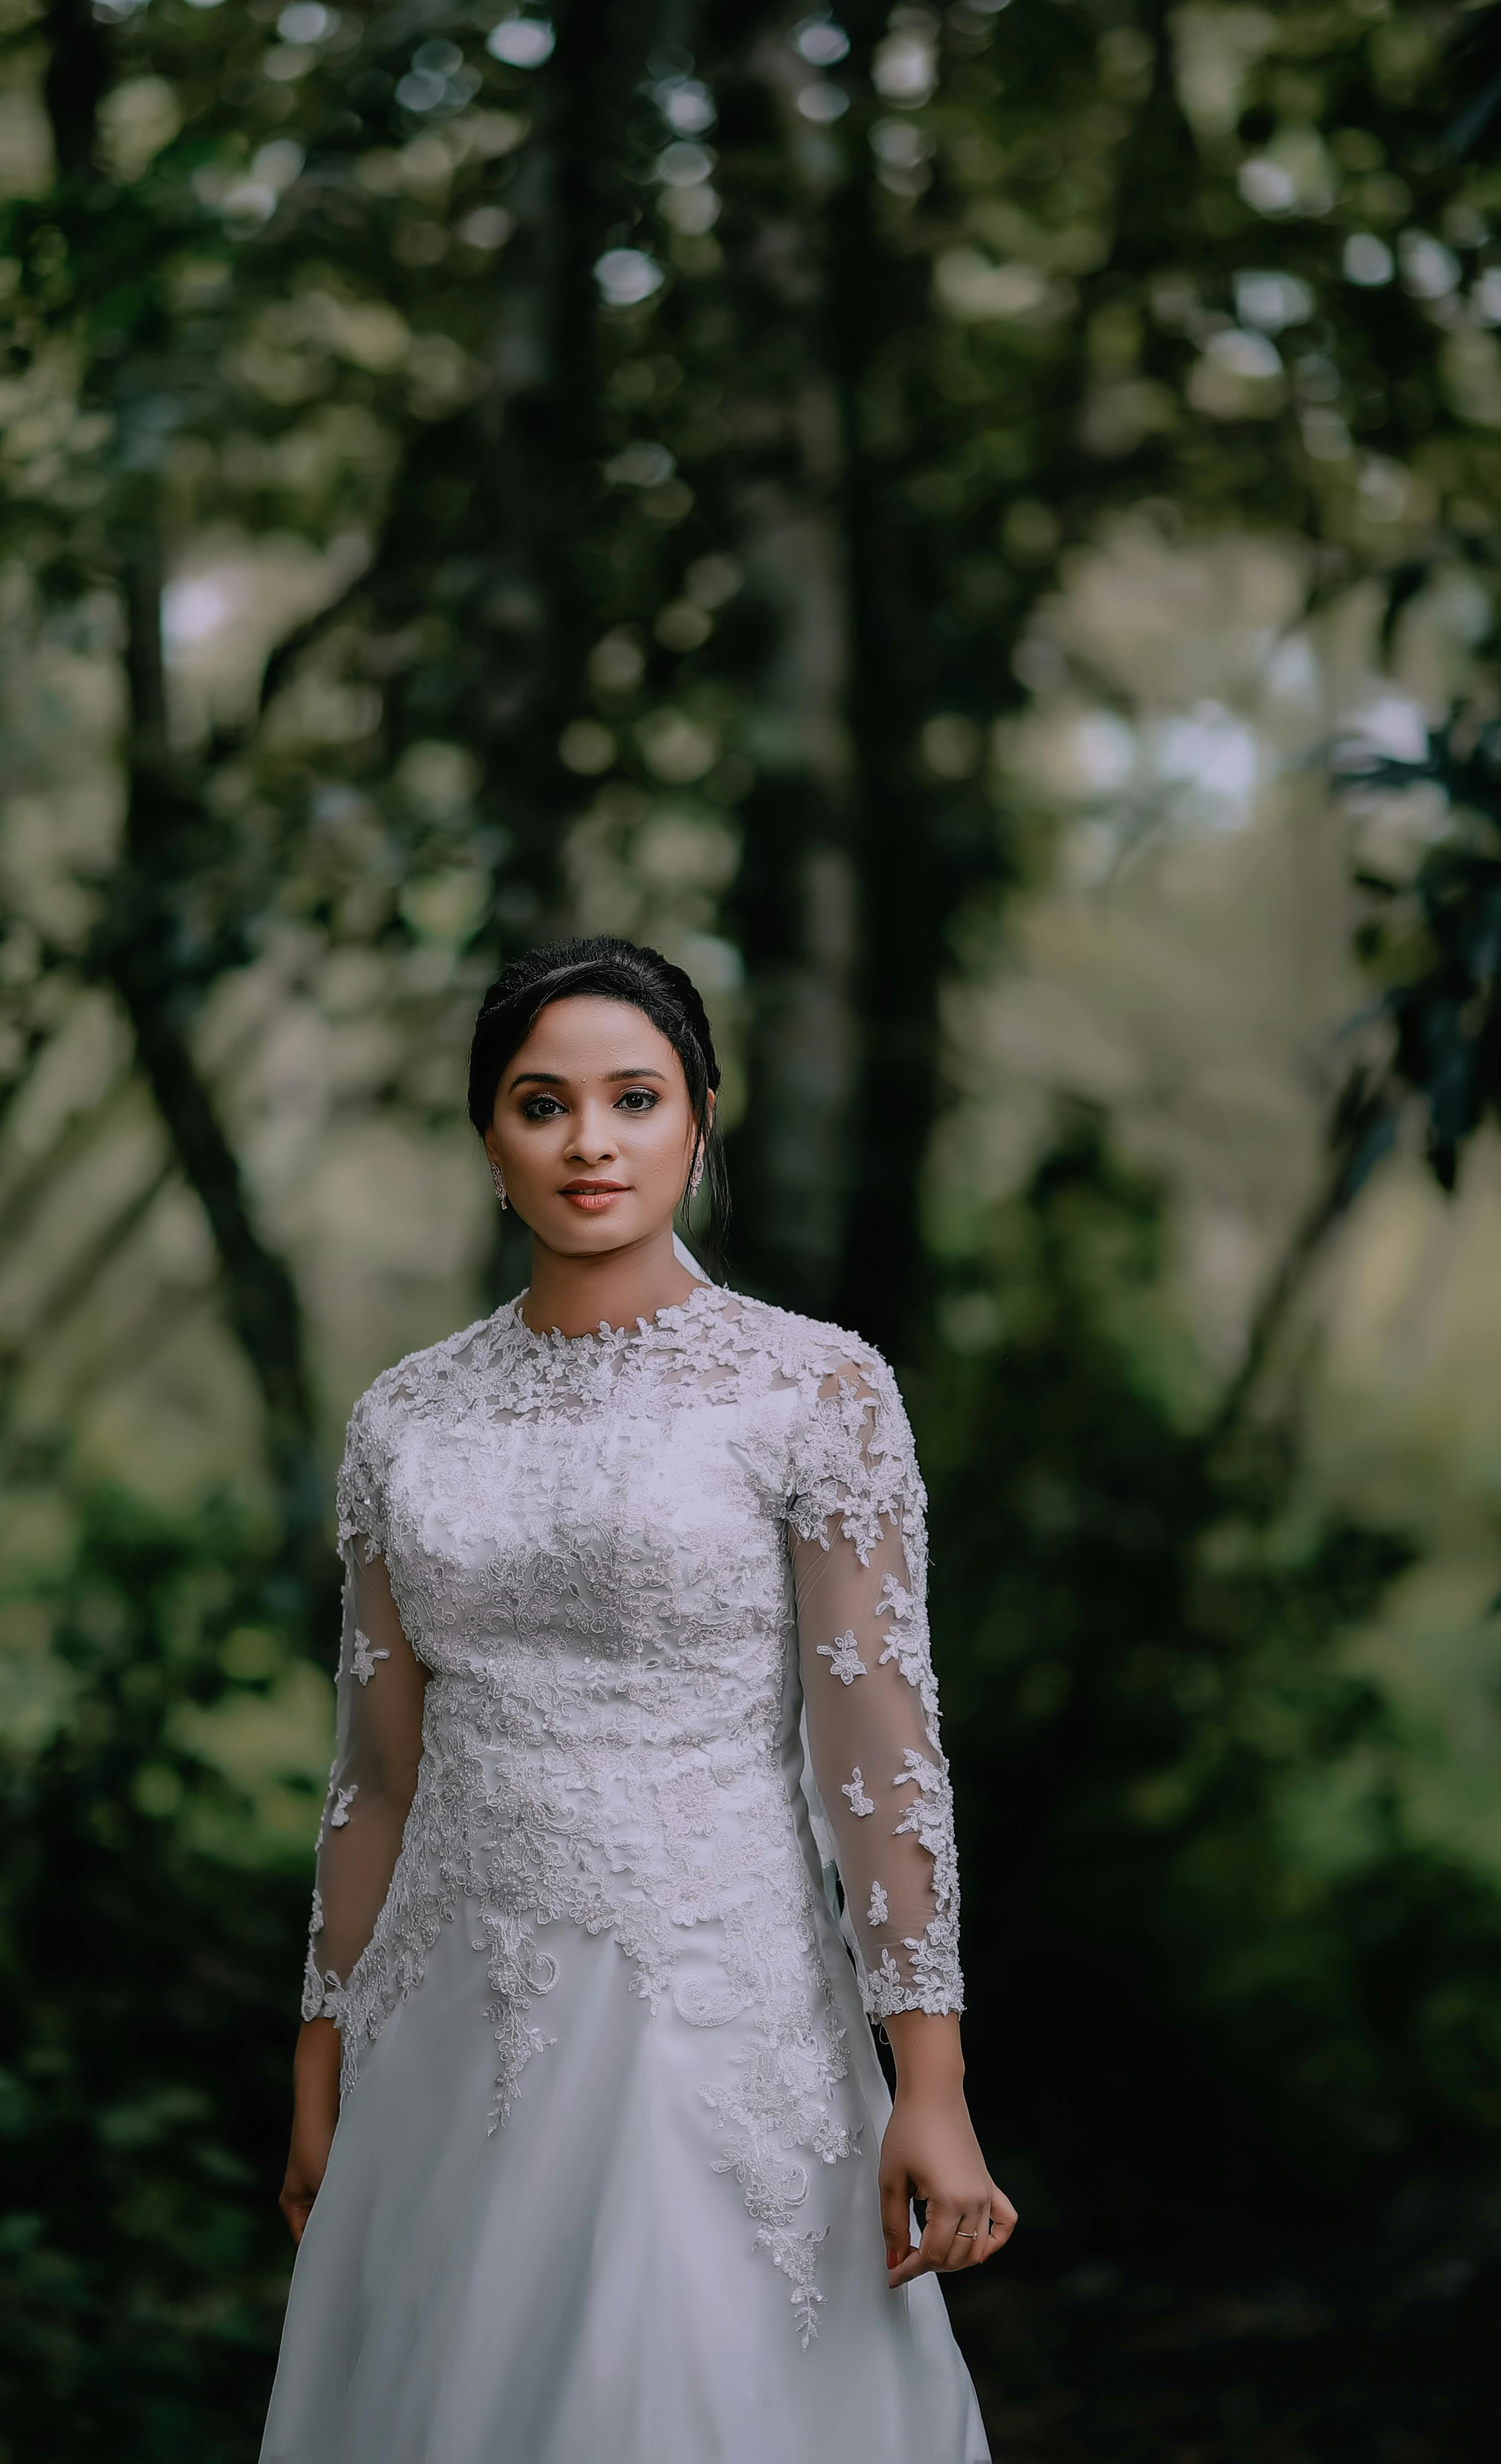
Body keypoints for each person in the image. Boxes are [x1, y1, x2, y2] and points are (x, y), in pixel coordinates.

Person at [260, 937, 1012, 2463]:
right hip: (444, 2029)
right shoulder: (403, 1416)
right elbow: (378, 1779)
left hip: (711, 2010)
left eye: (634, 1098)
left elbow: (882, 1756)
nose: (589, 1142)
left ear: (700, 1118)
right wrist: (320, 2047)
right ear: (490, 1136)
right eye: (543, 1104)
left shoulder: (815, 1391)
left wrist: (927, 2080)